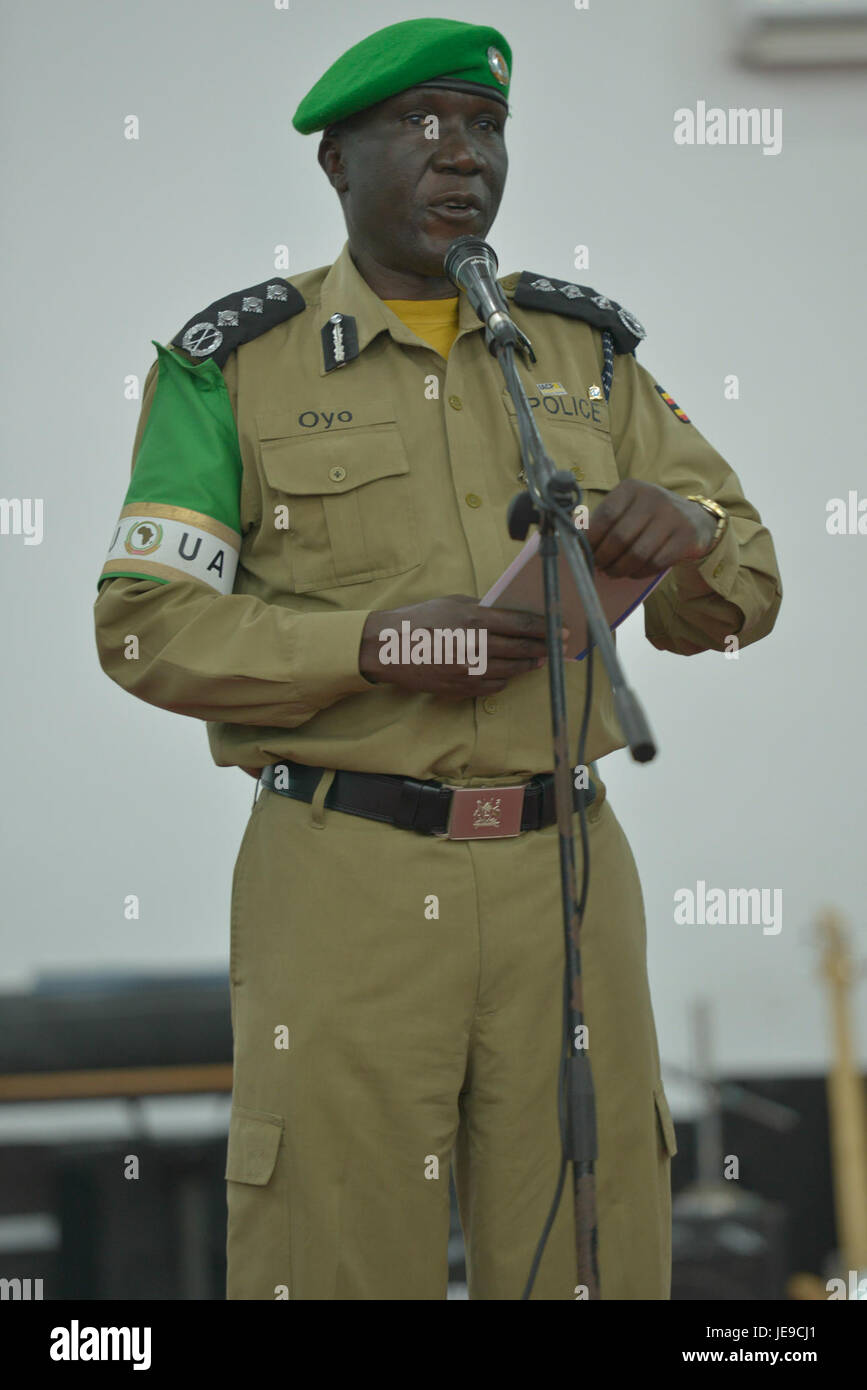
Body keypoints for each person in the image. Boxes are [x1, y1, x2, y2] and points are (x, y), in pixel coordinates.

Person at [93, 16, 782, 1300]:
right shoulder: (228, 367)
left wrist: (688, 540)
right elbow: (146, 622)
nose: (460, 155)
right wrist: (377, 642)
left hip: (565, 867)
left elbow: (741, 590)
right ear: (337, 165)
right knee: (338, 1245)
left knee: (598, 1239)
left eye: (484, 126)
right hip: (348, 871)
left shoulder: (581, 353)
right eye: (420, 127)